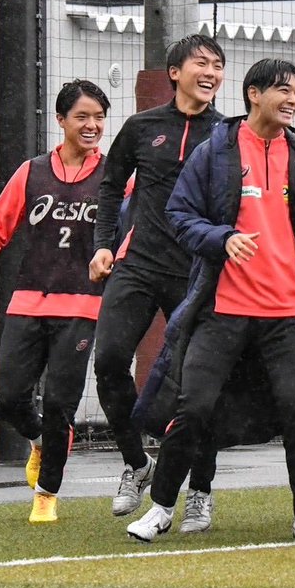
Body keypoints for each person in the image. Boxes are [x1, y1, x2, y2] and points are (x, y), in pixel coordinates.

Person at [125, 58, 295, 543]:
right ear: (253, 94)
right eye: (283, 90)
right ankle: (161, 508)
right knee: (192, 409)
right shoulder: (216, 151)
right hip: (222, 309)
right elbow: (180, 214)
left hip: (289, 313)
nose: (292, 100)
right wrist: (222, 238)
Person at [89, 34, 224, 528]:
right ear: (174, 72)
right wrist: (104, 245)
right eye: (201, 63)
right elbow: (110, 187)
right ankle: (136, 461)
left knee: (199, 385)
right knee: (108, 360)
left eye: (218, 65)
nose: (210, 72)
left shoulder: (227, 133)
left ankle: (201, 491)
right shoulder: (141, 127)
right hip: (139, 265)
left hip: (197, 273)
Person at [0, 81, 109, 523]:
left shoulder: (114, 176)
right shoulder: (32, 172)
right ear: (61, 120)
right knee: (9, 398)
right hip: (28, 302)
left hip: (82, 306)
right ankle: (42, 441)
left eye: (99, 117)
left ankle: (46, 493)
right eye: (82, 117)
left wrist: (114, 258)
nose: (92, 125)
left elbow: (132, 228)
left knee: (61, 404)